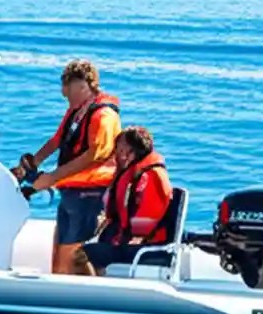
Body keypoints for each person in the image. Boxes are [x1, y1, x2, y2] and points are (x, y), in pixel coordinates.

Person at [12, 59, 121, 274]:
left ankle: (85, 297)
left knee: (75, 255)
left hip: (91, 195)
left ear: (83, 85)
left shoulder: (103, 116)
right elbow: (57, 140)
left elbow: (93, 155)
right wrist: (31, 164)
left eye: (67, 87)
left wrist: (52, 177)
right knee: (59, 250)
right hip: (71, 192)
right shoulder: (75, 111)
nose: (63, 93)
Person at [73, 126, 173, 276]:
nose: (118, 156)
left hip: (143, 244)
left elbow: (149, 214)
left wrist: (134, 237)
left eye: (121, 150)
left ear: (132, 152)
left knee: (81, 256)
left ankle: (95, 290)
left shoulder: (151, 177)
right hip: (126, 238)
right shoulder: (133, 173)